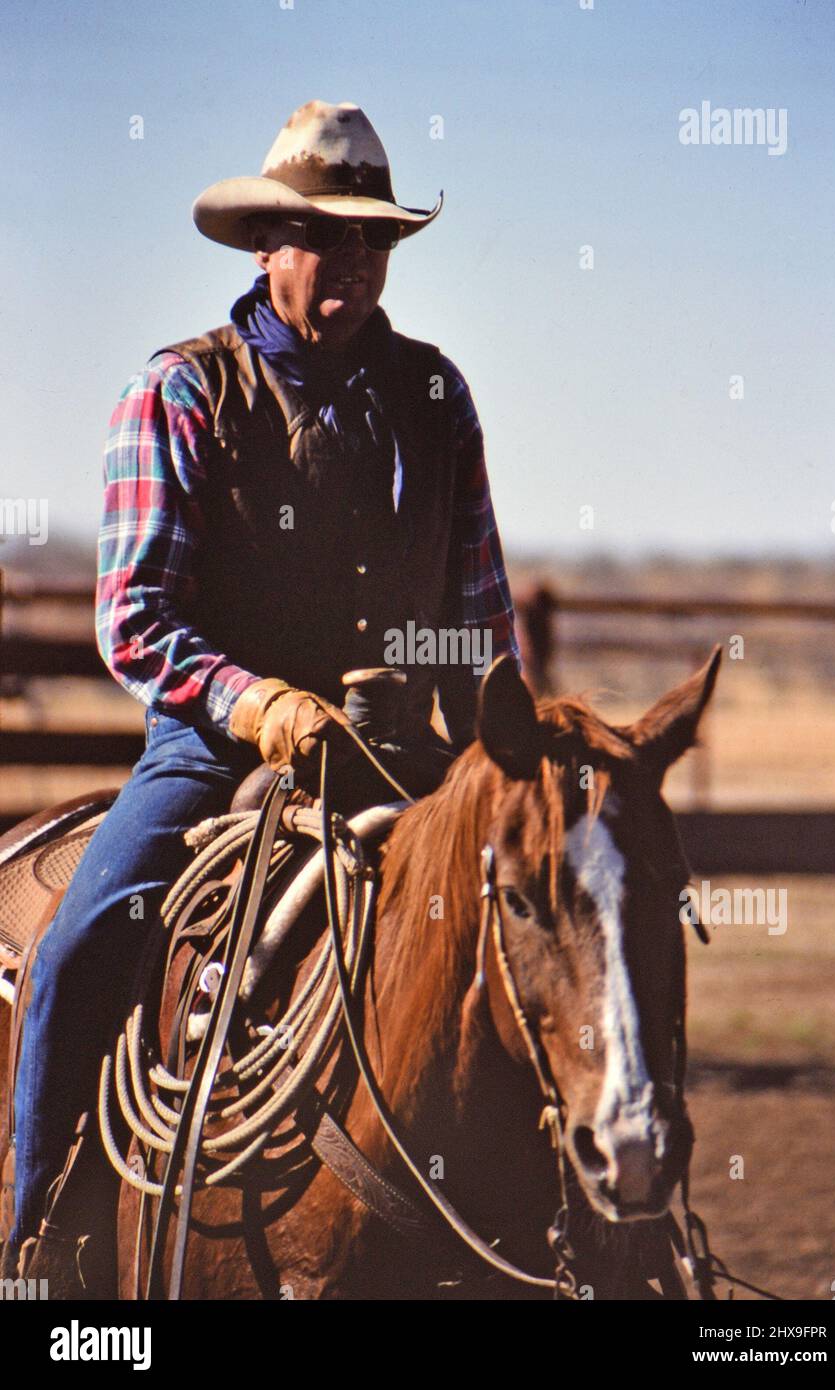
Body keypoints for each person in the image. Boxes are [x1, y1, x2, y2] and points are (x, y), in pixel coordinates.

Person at [2, 99, 519, 1275]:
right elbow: (134, 618)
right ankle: (38, 1234)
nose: (352, 264)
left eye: (372, 241)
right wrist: (260, 703)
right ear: (263, 249)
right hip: (213, 755)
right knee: (85, 940)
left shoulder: (435, 399)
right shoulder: (182, 392)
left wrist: (505, 748)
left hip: (405, 756)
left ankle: (590, 1230)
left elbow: (479, 617)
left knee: (566, 936)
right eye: (324, 238)